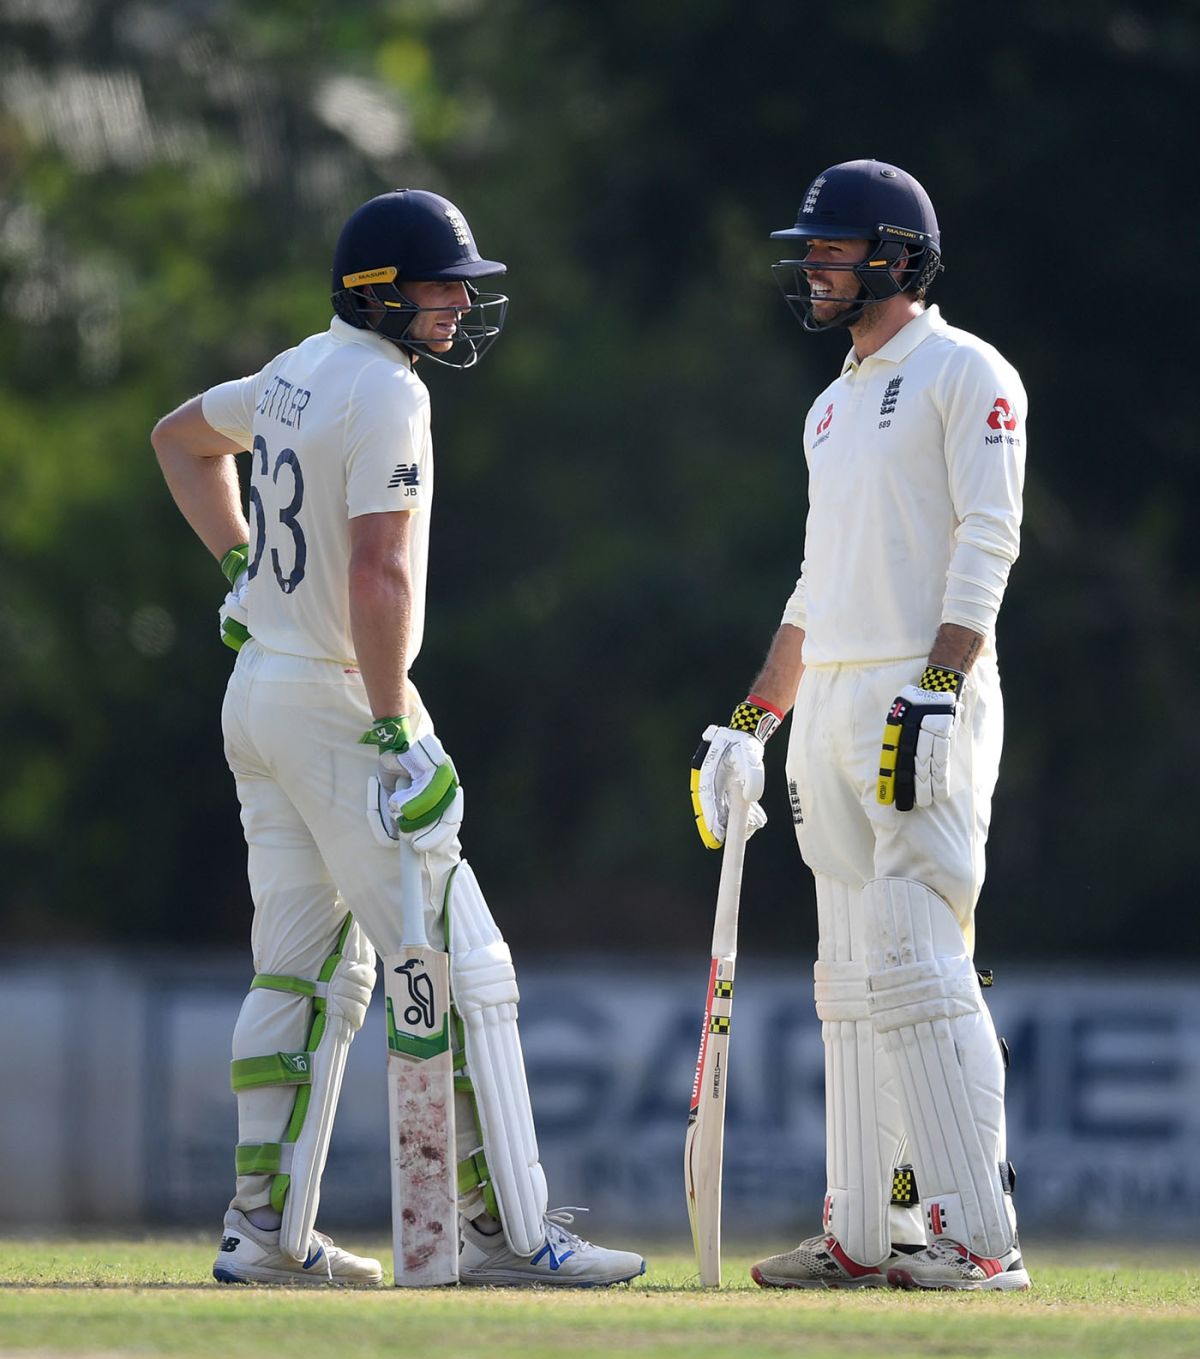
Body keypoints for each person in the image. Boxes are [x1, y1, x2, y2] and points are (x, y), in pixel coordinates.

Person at [152, 188, 646, 1288]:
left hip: (259, 696)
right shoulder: (385, 393)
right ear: (378, 293)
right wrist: (394, 727)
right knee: (464, 965)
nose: (459, 305)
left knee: (297, 977)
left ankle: (262, 1233)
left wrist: (244, 568)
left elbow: (179, 441)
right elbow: (381, 571)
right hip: (338, 703)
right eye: (439, 287)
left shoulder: (290, 371)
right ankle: (505, 1234)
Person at [691, 160, 1030, 1292]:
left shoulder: (966, 371)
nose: (815, 267)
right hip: (831, 697)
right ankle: (863, 1233)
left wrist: (940, 686)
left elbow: (988, 542)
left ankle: (979, 1238)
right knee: (847, 980)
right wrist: (753, 717)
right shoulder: (830, 406)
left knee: (921, 966)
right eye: (812, 252)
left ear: (897, 256)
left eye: (833, 250)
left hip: (916, 694)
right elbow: (812, 583)